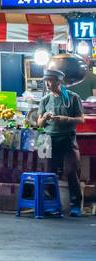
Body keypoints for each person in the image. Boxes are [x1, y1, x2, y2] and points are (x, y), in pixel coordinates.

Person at [39, 67, 84, 217]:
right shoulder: (44, 100)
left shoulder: (72, 97)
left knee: (71, 171)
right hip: (47, 139)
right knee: (48, 173)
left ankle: (75, 205)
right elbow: (39, 123)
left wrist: (65, 119)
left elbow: (81, 119)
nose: (47, 84)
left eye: (50, 81)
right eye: (46, 81)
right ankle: (51, 204)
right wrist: (44, 118)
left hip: (67, 138)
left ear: (59, 81)